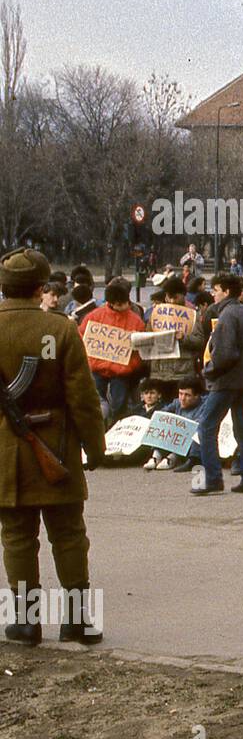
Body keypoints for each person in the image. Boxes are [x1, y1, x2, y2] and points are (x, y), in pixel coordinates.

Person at [0, 249, 106, 645]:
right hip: (56, 447)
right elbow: (83, 400)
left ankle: (26, 623)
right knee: (69, 536)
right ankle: (78, 621)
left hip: (6, 454)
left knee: (16, 537)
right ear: (41, 288)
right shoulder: (60, 330)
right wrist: (96, 449)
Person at [192, 273, 243, 495]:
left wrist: (208, 370)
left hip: (225, 381)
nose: (214, 294)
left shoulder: (227, 316)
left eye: (217, 290)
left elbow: (225, 353)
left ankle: (213, 478)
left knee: (206, 425)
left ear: (227, 292)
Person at [79, 282, 147, 424]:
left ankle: (116, 428)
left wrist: (132, 364)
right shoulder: (94, 317)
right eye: (121, 305)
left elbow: (142, 351)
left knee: (119, 404)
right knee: (95, 403)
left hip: (121, 372)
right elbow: (82, 339)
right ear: (111, 303)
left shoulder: (136, 321)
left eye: (126, 303)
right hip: (97, 368)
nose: (125, 307)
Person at [146, 378, 206, 472]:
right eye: (180, 394)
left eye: (187, 395)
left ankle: (173, 458)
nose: (182, 398)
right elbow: (161, 414)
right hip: (172, 439)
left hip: (189, 443)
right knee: (161, 421)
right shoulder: (177, 402)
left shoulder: (204, 405)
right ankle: (156, 455)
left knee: (195, 430)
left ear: (197, 396)